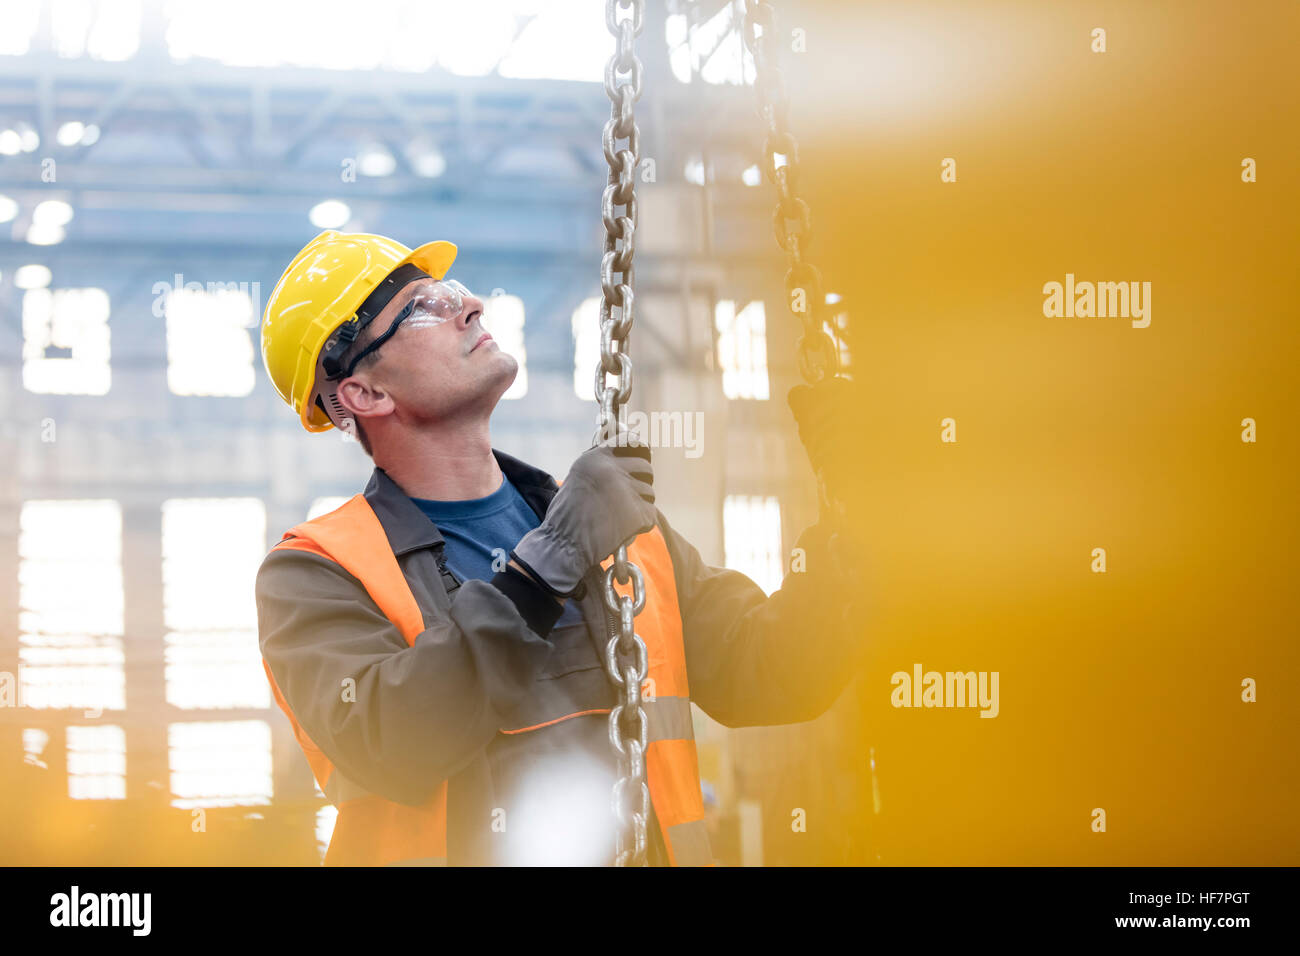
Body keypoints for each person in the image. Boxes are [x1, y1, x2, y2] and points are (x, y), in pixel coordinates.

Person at [255, 229, 865, 866]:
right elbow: (392, 737)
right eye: (425, 306)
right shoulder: (316, 572)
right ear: (364, 394)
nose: (471, 307)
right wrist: (551, 564)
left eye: (456, 293)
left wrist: (862, 518)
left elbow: (773, 673)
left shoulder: (615, 528)